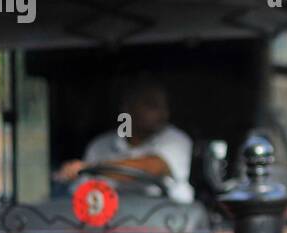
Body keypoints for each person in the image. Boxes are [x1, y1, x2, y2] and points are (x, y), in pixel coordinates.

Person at [55, 78, 194, 203]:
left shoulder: (176, 139)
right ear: (127, 108)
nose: (163, 112)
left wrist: (90, 167)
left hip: (167, 223)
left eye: (164, 106)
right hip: (110, 226)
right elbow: (82, 191)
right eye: (151, 105)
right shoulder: (100, 146)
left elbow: (153, 166)